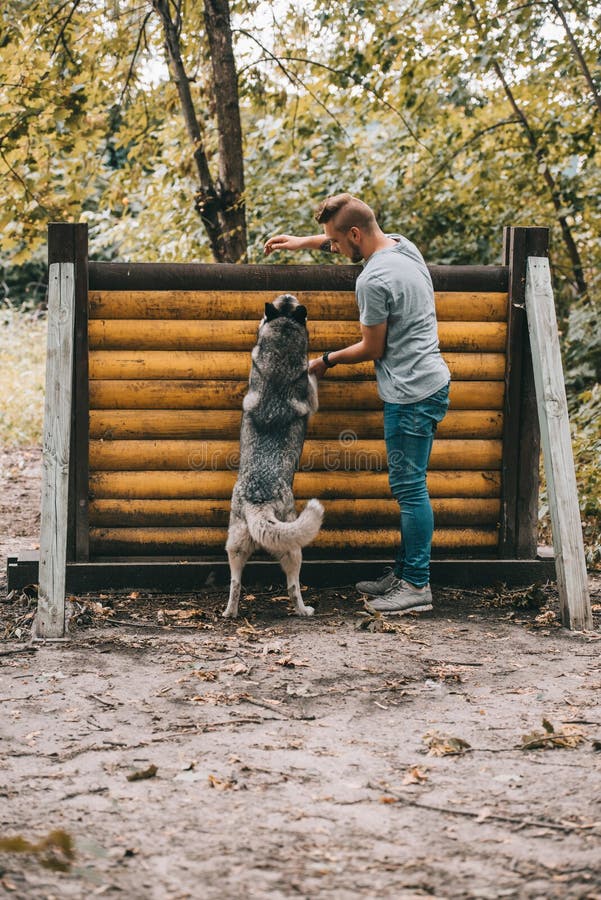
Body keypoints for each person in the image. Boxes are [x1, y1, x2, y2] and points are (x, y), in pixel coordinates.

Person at [264, 193, 450, 615]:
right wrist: (301, 242)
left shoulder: (372, 280)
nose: (332, 248)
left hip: (411, 394)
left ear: (353, 234)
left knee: (410, 488)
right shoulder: (402, 246)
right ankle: (405, 573)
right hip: (430, 382)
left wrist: (324, 361)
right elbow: (346, 232)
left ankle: (416, 585)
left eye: (334, 241)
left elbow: (372, 346)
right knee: (410, 486)